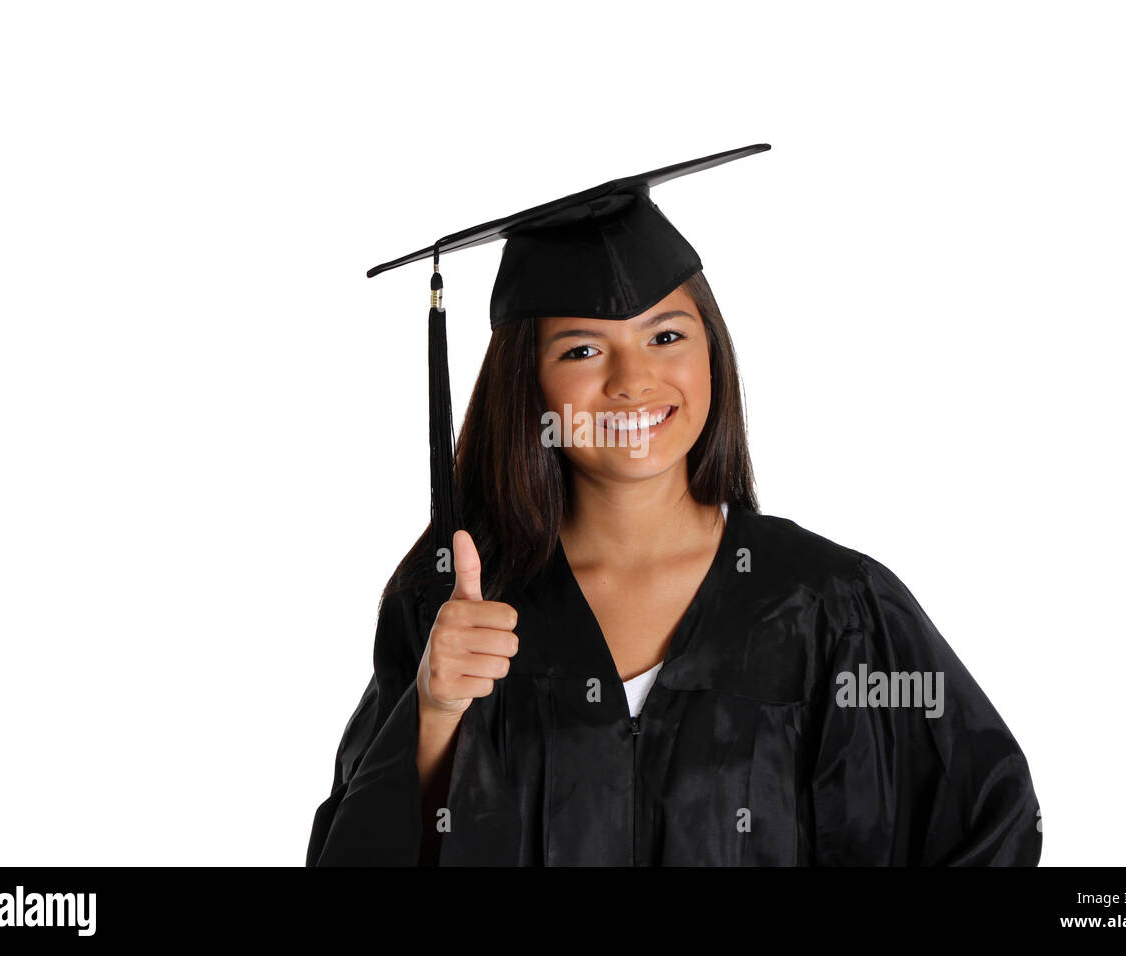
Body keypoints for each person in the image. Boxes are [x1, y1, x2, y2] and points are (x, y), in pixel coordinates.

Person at [306, 145, 1042, 866]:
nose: (634, 379)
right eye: (583, 350)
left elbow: (989, 820)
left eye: (666, 335)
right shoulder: (446, 612)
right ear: (526, 385)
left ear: (711, 350)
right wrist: (433, 715)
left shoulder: (831, 607)